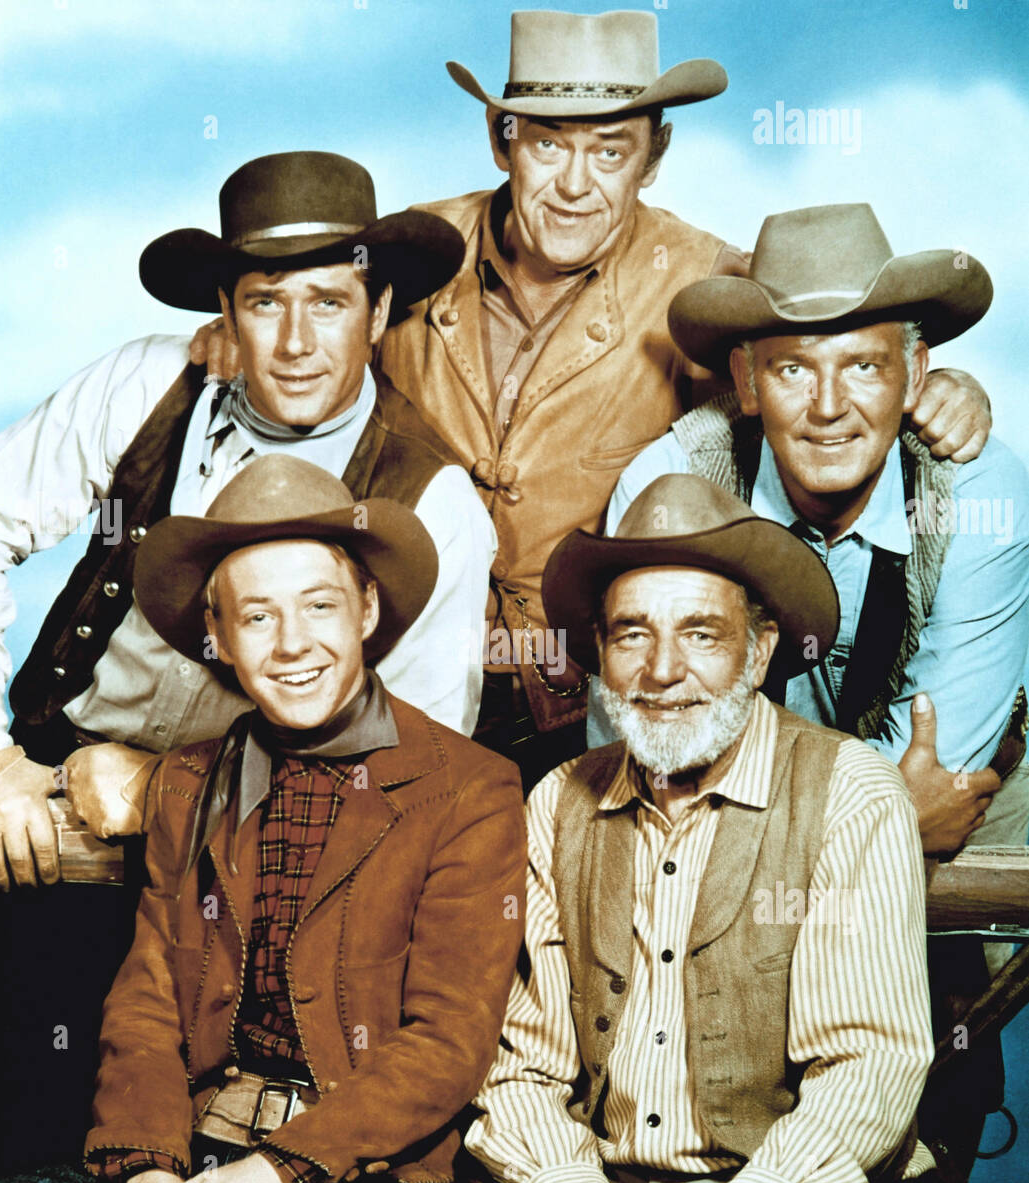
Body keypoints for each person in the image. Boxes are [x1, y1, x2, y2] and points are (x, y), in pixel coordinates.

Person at [191, 11, 992, 791]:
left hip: (582, 707)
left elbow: (828, 334)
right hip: (397, 671)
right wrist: (226, 343)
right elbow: (302, 312)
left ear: (652, 157)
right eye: (546, 143)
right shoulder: (414, 253)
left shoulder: (709, 281)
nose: (574, 185)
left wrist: (944, 391)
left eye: (610, 150)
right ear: (501, 141)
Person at [0, 150, 494, 1171]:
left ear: (383, 306)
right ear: (224, 308)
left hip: (236, 854)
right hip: (45, 798)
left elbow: (405, 776)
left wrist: (179, 786)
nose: (301, 341)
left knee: (132, 1122)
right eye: (268, 303)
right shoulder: (145, 383)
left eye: (331, 301)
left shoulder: (434, 503)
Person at [0, 453, 526, 1183]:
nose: (291, 645)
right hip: (192, 1149)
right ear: (219, 636)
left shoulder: (468, 788)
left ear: (367, 609)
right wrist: (147, 1178)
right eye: (257, 616)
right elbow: (146, 1004)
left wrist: (270, 1178)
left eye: (319, 605)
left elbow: (448, 1044)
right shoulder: (187, 780)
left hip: (363, 1179)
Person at [401, 474, 934, 1183]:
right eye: (631, 635)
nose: (661, 670)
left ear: (758, 652)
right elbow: (517, 1066)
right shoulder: (559, 801)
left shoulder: (847, 793)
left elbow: (870, 1062)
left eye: (700, 635)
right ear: (600, 656)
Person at [596, 202, 1029, 1181]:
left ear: (916, 377)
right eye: (794, 367)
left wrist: (761, 810)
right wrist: (883, 811)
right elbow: (645, 756)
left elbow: (948, 768)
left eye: (864, 366)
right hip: (760, 853)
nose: (829, 406)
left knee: (930, 1122)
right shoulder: (670, 483)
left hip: (968, 826)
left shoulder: (982, 490)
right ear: (746, 381)